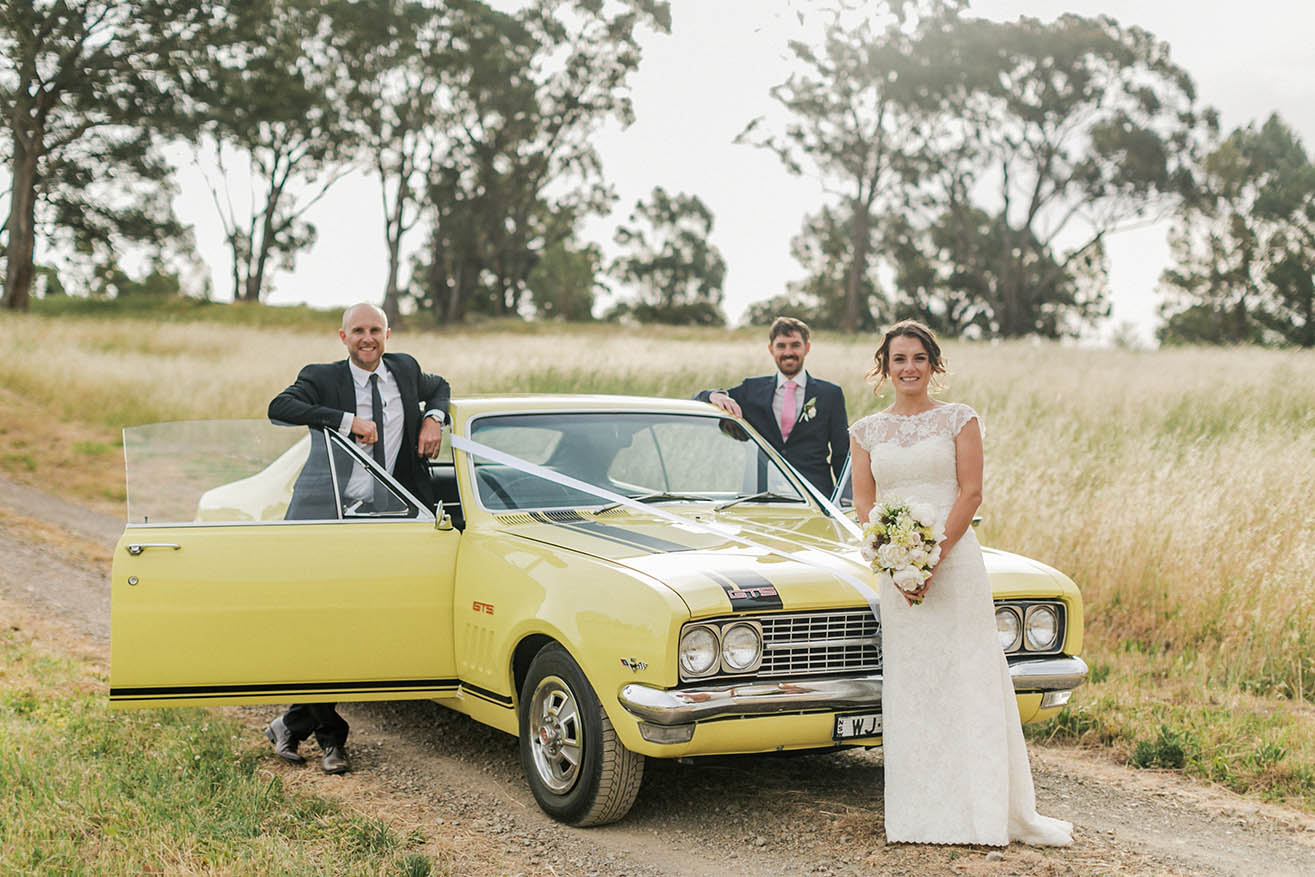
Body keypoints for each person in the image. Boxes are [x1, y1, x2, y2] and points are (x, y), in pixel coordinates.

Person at [848, 320, 1073, 847]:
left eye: (918, 359)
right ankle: (920, 816)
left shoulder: (959, 420)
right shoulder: (865, 432)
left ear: (934, 365)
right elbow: (864, 504)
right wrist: (895, 560)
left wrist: (930, 559)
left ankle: (982, 812)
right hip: (898, 577)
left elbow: (970, 494)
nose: (908, 368)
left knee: (967, 681)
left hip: (954, 566)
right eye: (898, 359)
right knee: (914, 687)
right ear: (885, 366)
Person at [263, 302, 450, 774]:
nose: (368, 338)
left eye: (376, 330)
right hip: (325, 515)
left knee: (361, 622)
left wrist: (435, 418)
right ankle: (331, 739)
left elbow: (440, 387)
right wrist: (346, 422)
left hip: (388, 516)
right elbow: (279, 408)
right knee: (322, 623)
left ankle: (290, 724)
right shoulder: (322, 377)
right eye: (358, 331)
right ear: (342, 337)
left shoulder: (404, 370)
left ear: (388, 334)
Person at [694, 316, 848, 495]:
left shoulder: (830, 394)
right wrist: (713, 395)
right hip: (761, 494)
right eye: (781, 346)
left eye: (795, 345)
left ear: (807, 348)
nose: (788, 352)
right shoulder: (751, 390)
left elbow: (841, 454)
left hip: (816, 495)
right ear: (771, 349)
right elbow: (697, 399)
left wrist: (845, 500)